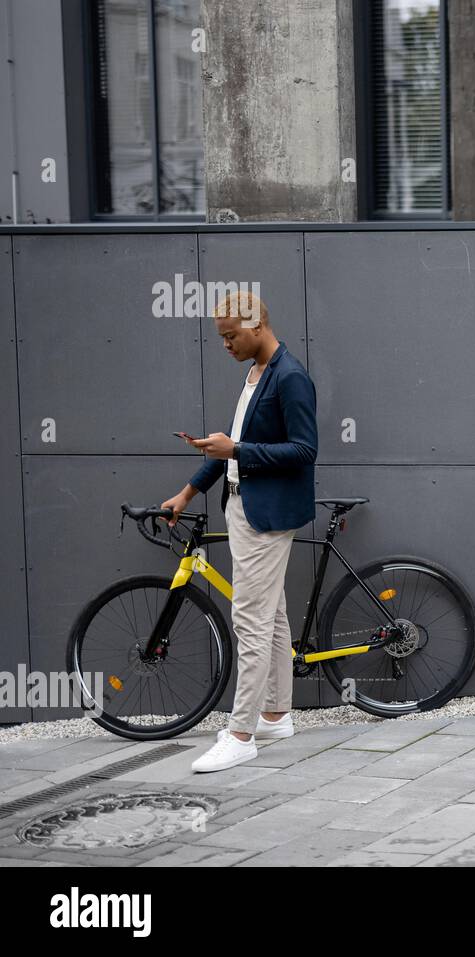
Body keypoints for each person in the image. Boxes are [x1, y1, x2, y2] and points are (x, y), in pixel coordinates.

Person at [160, 291, 319, 771]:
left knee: (249, 621)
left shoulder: (290, 378)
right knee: (270, 616)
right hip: (244, 507)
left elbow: (304, 450)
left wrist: (237, 452)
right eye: (222, 338)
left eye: (231, 336)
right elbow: (235, 447)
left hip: (266, 514)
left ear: (256, 327)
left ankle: (241, 732)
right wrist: (188, 493)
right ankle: (275, 714)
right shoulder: (255, 375)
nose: (225, 345)